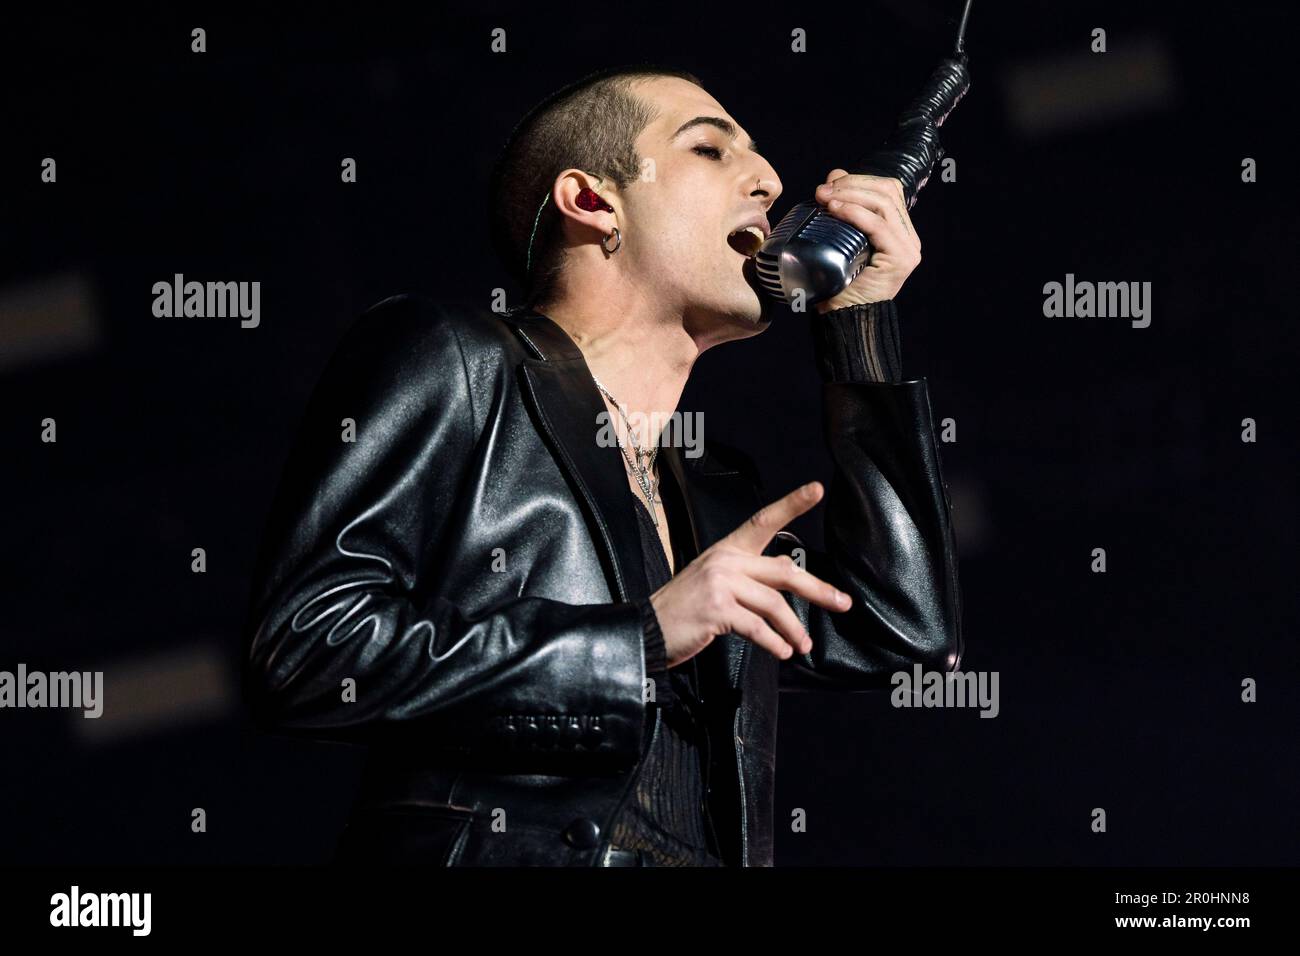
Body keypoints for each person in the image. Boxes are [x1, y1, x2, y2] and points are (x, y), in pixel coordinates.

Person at [241, 64, 963, 867]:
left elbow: (903, 632)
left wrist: (860, 330)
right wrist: (639, 640)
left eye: (756, 158)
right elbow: (305, 652)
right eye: (710, 150)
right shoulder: (457, 361)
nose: (769, 181)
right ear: (592, 201)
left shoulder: (719, 501)